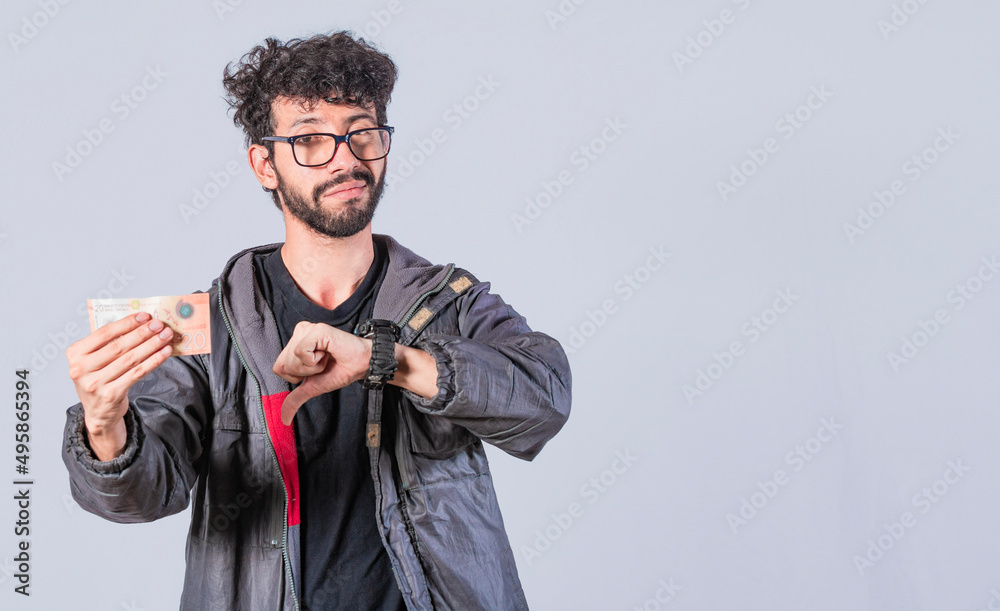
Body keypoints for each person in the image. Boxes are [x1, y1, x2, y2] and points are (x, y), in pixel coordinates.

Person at [61, 31, 571, 610]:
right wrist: (104, 424)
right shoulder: (213, 328)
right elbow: (142, 495)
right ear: (264, 164)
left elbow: (543, 397)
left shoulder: (446, 301)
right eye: (309, 141)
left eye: (362, 132)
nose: (346, 158)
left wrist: (388, 361)